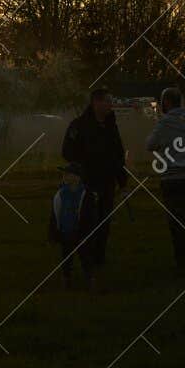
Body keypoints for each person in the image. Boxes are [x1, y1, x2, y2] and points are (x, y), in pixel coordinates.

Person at [61, 86, 128, 277]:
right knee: (87, 221)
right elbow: (67, 152)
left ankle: (99, 258)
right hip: (86, 183)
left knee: (104, 220)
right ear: (95, 102)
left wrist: (122, 180)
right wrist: (84, 167)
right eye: (107, 100)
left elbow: (118, 154)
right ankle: (86, 258)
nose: (110, 105)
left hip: (107, 182)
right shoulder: (79, 126)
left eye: (110, 101)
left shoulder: (111, 126)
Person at [146, 86, 185, 264]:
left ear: (166, 102)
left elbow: (150, 144)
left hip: (173, 177)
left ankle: (183, 257)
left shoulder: (165, 122)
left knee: (179, 219)